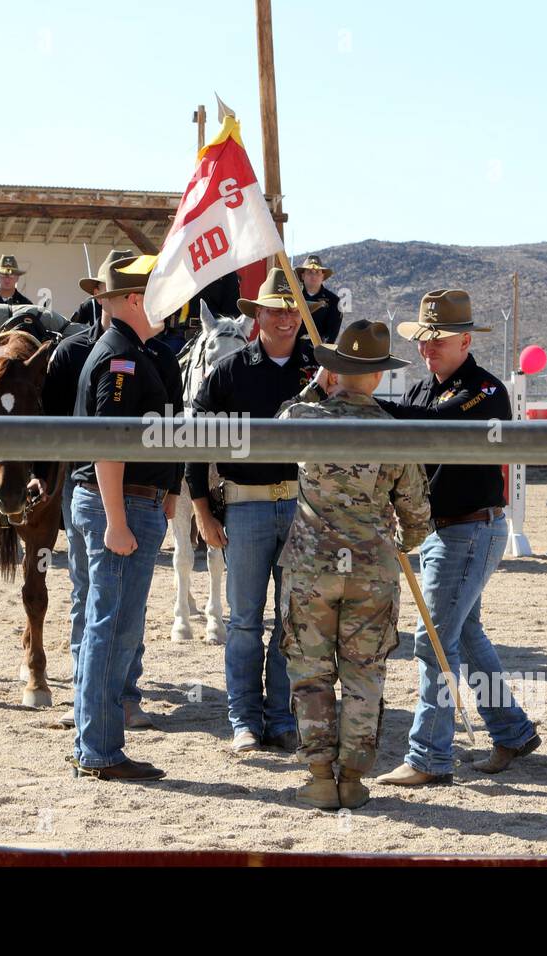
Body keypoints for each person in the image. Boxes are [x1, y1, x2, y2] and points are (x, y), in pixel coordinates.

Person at [374, 289, 541, 787]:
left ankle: (428, 757)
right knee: (463, 635)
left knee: (435, 641)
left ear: (466, 341)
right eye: (425, 340)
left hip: (469, 527)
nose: (428, 349)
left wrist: (359, 398)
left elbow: (434, 425)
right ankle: (511, 730)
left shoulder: (485, 391)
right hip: (442, 531)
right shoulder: (423, 392)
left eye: (438, 341)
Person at [277, 320, 431, 810]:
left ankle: (319, 774)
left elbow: (275, 424)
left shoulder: (305, 418)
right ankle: (354, 778)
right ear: (381, 376)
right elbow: (418, 516)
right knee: (365, 673)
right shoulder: (395, 434)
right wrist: (401, 540)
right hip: (371, 569)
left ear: (333, 370)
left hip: (310, 569)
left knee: (310, 671)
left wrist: (314, 385)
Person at [187, 268, 322, 754]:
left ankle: (282, 717)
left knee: (290, 620)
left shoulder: (318, 371)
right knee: (244, 620)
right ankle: (243, 718)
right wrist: (202, 510)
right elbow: (194, 441)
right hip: (243, 511)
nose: (285, 318)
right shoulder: (228, 371)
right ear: (257, 316)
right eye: (274, 310)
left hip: (304, 511)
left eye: (292, 310)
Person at [45, 250, 176, 732]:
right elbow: (109, 440)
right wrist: (118, 521)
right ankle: (99, 744)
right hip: (115, 503)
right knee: (112, 625)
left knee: (112, 622)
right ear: (138, 300)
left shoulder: (123, 349)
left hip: (111, 500)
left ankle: (97, 739)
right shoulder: (122, 357)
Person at [295, 254, 343, 345]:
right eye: (309, 272)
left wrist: (322, 350)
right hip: (293, 349)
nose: (313, 276)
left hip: (318, 350)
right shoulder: (294, 298)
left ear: (322, 276)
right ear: (302, 276)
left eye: (317, 272)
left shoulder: (334, 301)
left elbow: (332, 332)